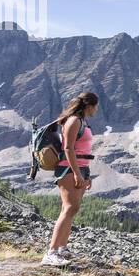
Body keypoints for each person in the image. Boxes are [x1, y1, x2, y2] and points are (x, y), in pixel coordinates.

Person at [42, 92, 98, 266]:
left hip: (81, 167)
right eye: (95, 106)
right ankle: (51, 253)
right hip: (68, 168)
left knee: (73, 209)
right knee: (68, 208)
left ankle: (62, 248)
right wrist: (76, 173)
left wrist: (85, 174)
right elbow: (68, 148)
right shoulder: (74, 121)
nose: (96, 110)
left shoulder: (82, 121)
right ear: (89, 106)